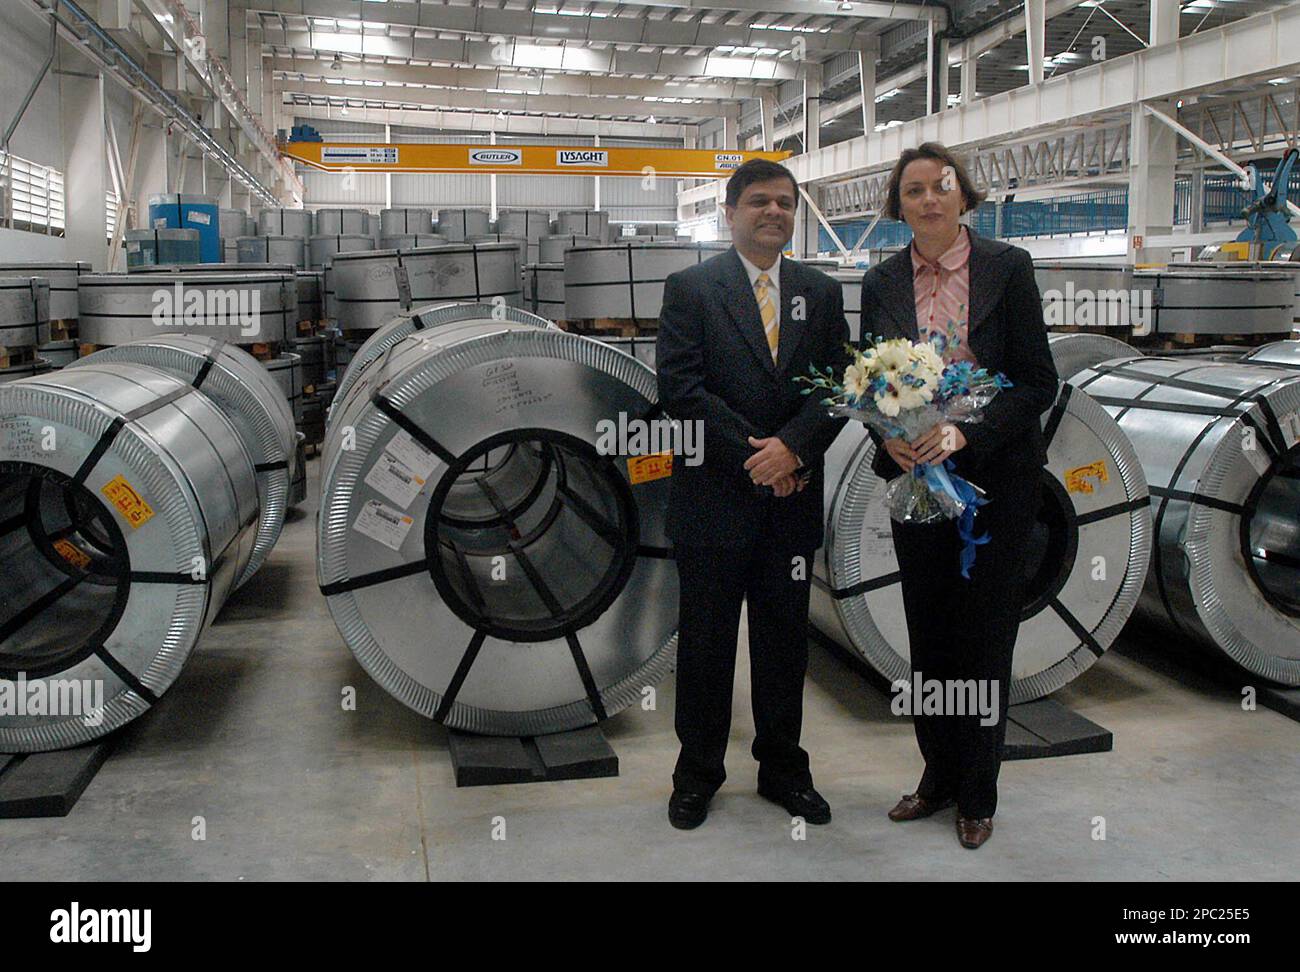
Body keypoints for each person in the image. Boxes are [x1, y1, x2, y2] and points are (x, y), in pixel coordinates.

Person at [858, 142, 1058, 849]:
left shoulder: (1008, 268)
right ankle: (937, 775)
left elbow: (1039, 381)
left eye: (941, 187)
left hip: (994, 481)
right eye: (913, 191)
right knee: (930, 630)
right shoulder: (880, 281)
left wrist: (966, 437)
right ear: (899, 205)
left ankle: (978, 790)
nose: (929, 200)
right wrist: (890, 438)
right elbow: (871, 388)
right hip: (917, 480)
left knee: (984, 634)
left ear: (963, 196)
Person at [656, 159, 850, 830]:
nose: (775, 213)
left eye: (786, 204)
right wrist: (759, 456)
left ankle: (784, 771)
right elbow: (681, 389)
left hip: (790, 503)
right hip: (714, 501)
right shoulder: (692, 289)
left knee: (782, 646)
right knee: (706, 646)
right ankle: (697, 775)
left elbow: (836, 387)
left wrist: (793, 448)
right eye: (761, 202)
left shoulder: (820, 294)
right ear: (730, 213)